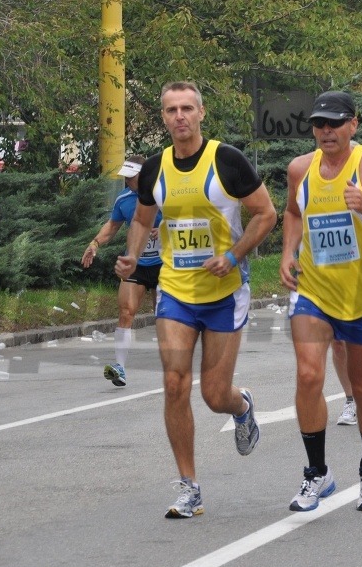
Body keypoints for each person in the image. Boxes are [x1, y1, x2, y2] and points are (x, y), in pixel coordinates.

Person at [114, 81, 277, 518]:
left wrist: (234, 255)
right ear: (164, 117)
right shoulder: (154, 168)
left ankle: (242, 407)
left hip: (225, 292)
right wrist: (131, 256)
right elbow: (143, 218)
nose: (180, 116)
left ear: (201, 113)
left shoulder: (227, 161)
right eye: (171, 110)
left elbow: (267, 213)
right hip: (176, 291)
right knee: (174, 383)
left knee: (214, 393)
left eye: (187, 108)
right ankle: (189, 486)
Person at [279, 91, 362, 513]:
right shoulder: (300, 168)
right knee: (307, 375)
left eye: (334, 123)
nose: (326, 131)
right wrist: (287, 253)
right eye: (319, 124)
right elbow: (292, 213)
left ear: (353, 124)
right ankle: (316, 473)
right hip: (313, 292)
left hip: (361, 296)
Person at [81, 155, 162, 387]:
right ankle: (120, 367)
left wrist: (165, 228)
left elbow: (186, 219)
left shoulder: (163, 196)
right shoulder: (124, 199)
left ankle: (175, 364)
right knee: (126, 312)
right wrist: (95, 243)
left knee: (165, 318)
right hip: (135, 264)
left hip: (165, 265)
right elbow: (113, 225)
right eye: (125, 177)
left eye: (132, 177)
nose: (128, 181)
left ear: (144, 175)